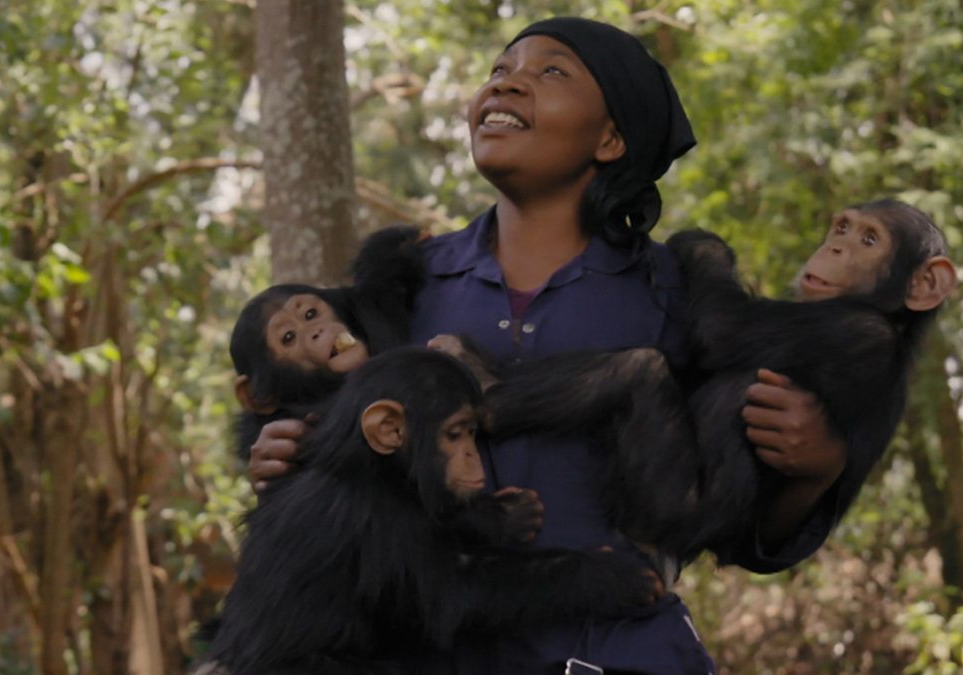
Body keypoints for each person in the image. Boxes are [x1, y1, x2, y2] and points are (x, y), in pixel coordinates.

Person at [249, 17, 845, 673]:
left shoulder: (681, 294)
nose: (507, 85)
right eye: (500, 71)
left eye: (550, 71)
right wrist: (277, 449)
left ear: (611, 136)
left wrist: (815, 469)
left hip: (619, 652)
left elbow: (734, 524)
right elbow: (326, 455)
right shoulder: (402, 283)